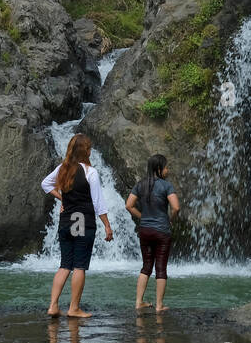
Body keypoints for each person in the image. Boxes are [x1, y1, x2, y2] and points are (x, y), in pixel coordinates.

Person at [41, 133, 112, 318]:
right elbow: (98, 202)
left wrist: (62, 197)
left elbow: (45, 184)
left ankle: (53, 306)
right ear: (85, 151)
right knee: (79, 266)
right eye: (89, 148)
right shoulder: (90, 172)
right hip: (82, 220)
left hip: (66, 220)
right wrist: (107, 225)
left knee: (65, 265)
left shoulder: (63, 169)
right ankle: (74, 308)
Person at [125, 154, 179, 312]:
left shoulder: (140, 185)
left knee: (146, 266)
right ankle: (159, 305)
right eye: (166, 167)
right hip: (162, 230)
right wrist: (170, 219)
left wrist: (143, 217)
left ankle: (138, 302)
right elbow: (176, 207)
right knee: (161, 267)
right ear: (159, 169)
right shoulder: (166, 185)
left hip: (145, 230)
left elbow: (129, 205)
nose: (168, 170)